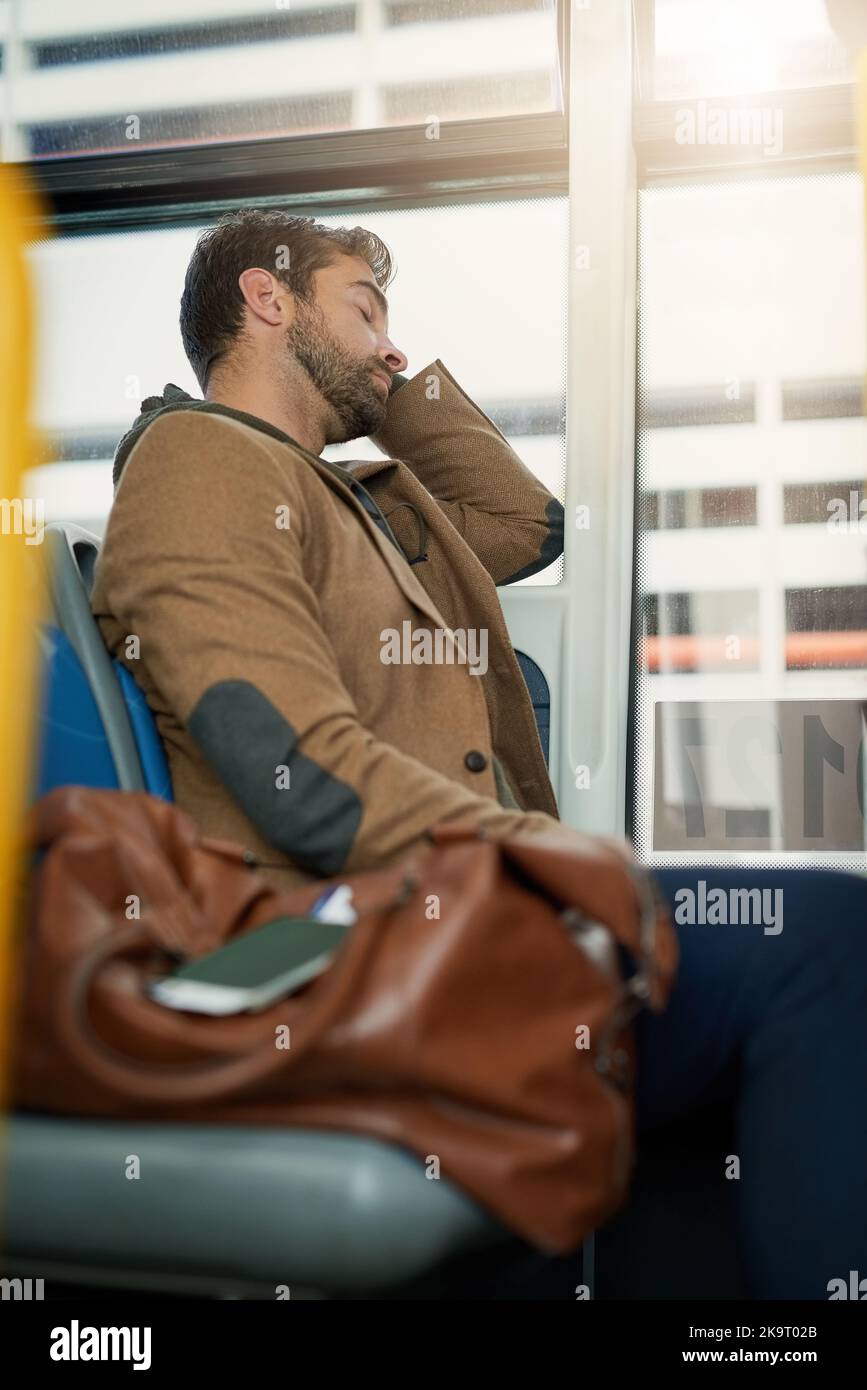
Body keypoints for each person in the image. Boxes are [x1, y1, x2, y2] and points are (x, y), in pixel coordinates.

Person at [90, 209, 866, 1300]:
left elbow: (528, 523)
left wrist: (373, 377)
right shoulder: (198, 462)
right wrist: (563, 861)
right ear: (267, 299)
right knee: (821, 943)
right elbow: (298, 770)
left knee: (738, 1071)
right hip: (337, 942)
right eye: (366, 309)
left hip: (449, 915)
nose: (391, 343)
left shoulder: (360, 504)